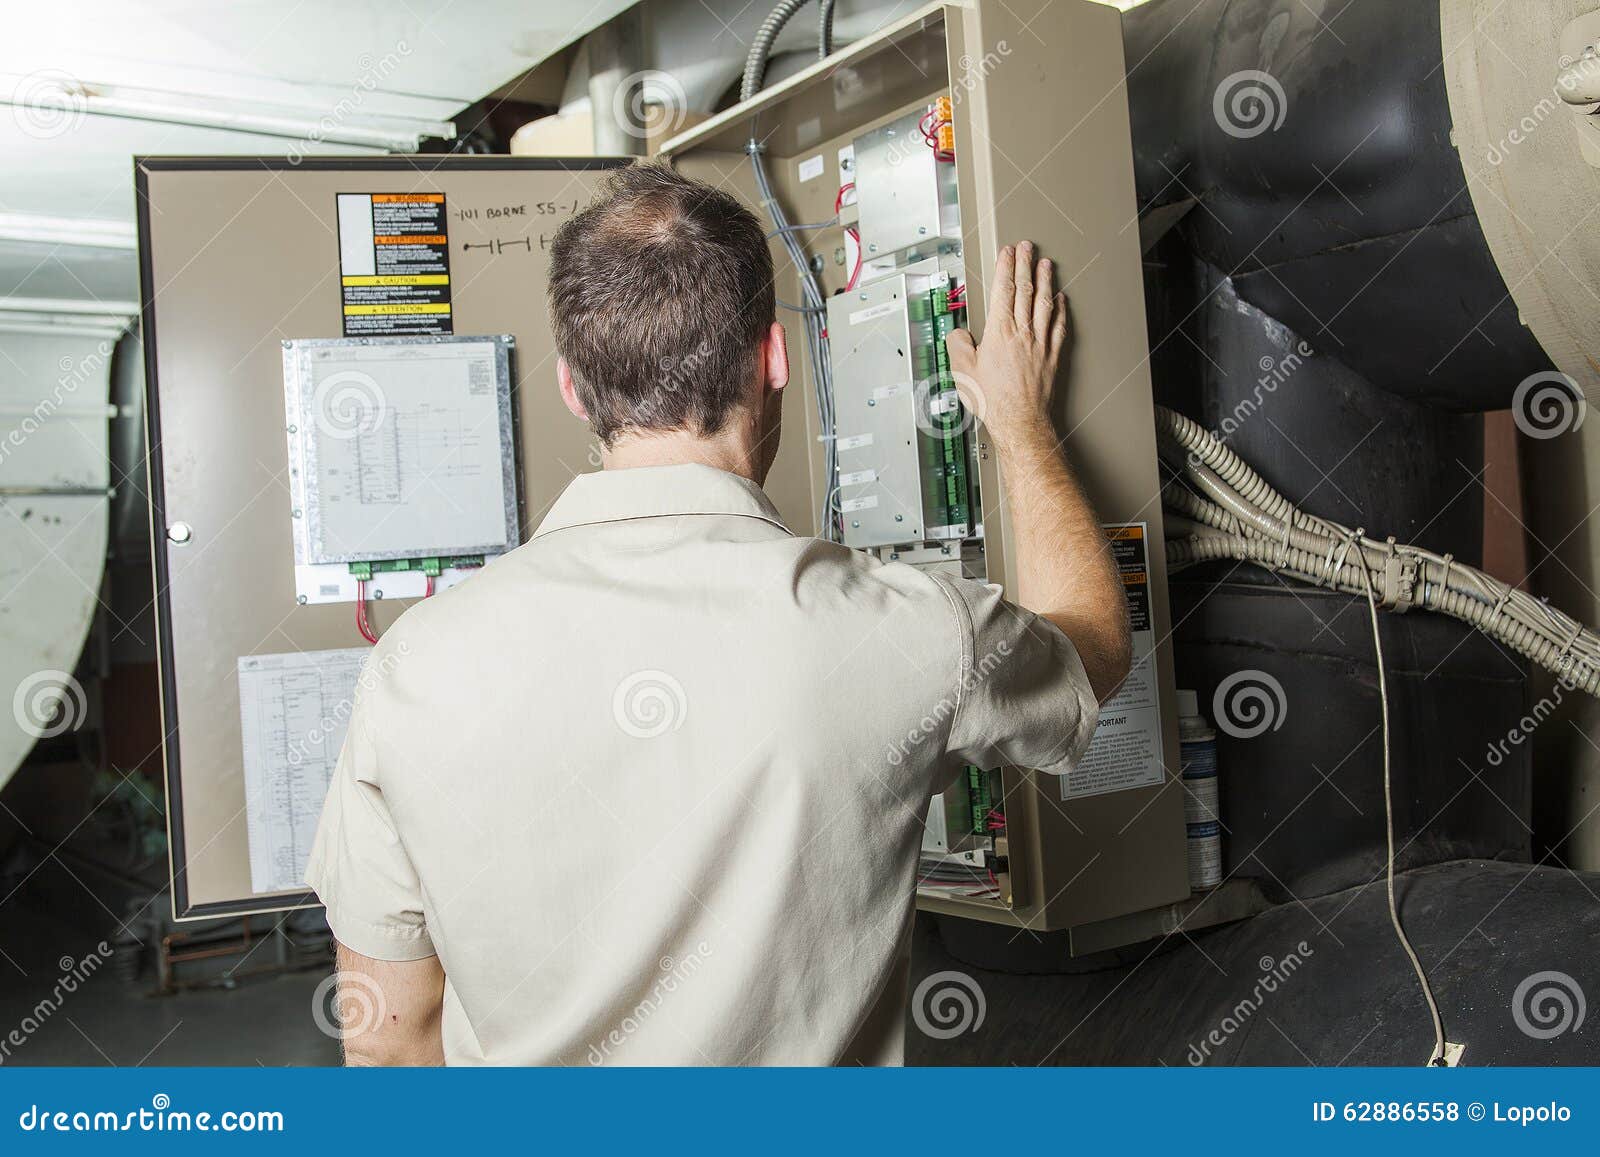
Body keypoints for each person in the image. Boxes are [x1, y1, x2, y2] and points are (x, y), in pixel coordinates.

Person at [306, 163, 1131, 1066]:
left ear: (575, 389)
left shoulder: (413, 667)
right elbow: (1093, 649)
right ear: (776, 359)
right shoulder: (906, 632)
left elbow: (389, 1039)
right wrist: (1017, 421)